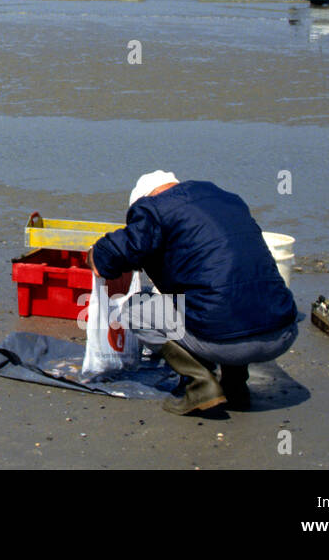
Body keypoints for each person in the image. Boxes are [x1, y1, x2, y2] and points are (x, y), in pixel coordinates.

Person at [88, 171, 299, 415]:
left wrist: (94, 254)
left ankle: (200, 384)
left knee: (137, 309)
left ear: (145, 199)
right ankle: (235, 386)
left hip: (226, 343)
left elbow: (117, 251)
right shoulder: (228, 201)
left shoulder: (154, 209)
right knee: (234, 293)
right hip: (281, 332)